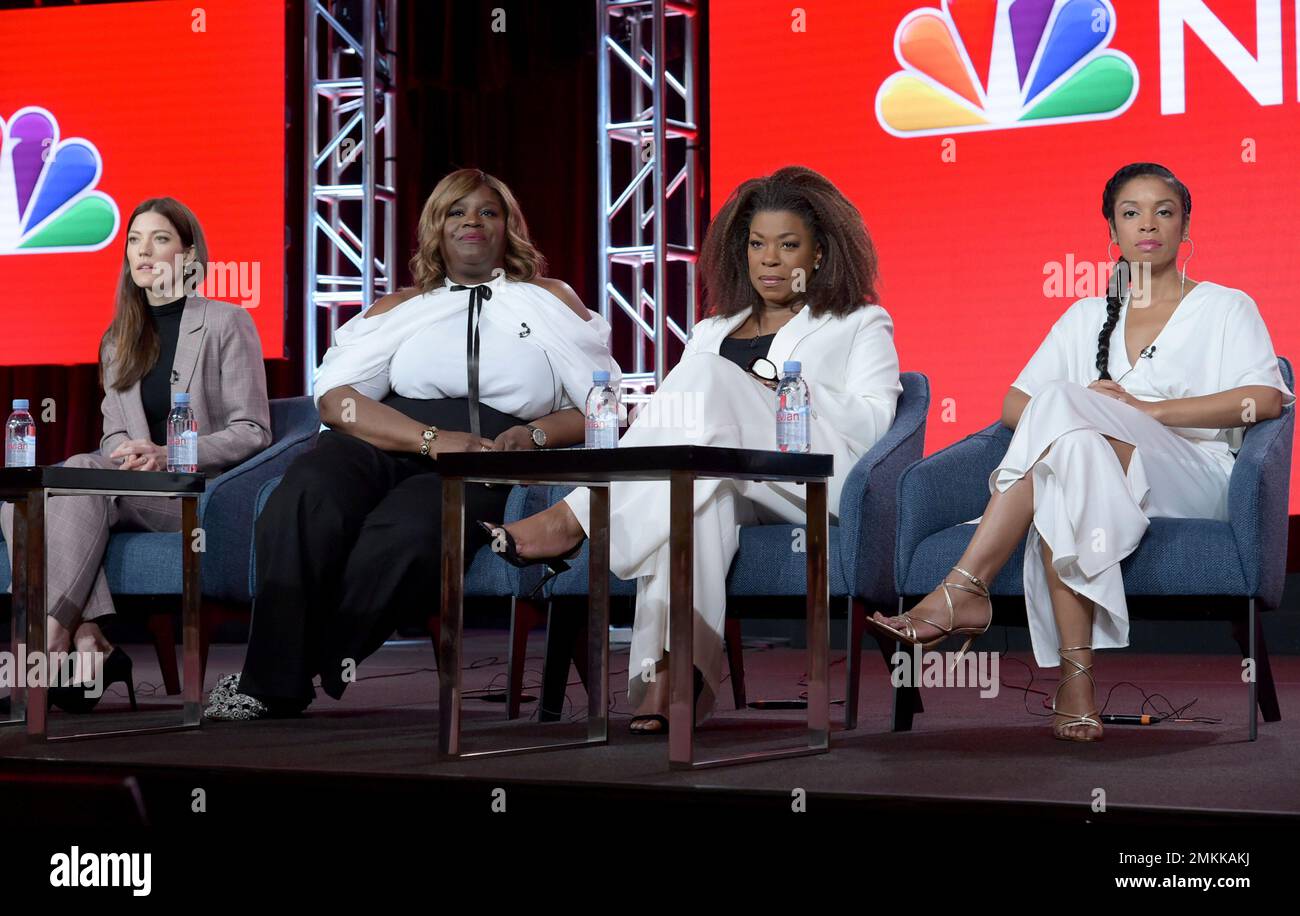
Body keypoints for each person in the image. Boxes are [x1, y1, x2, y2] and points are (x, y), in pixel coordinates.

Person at [869, 162, 1294, 741]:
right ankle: (1076, 683)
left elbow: (1264, 399)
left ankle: (965, 587)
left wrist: (1143, 412)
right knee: (1067, 452)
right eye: (1131, 213)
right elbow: (1016, 404)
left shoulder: (1225, 306)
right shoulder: (1086, 315)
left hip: (1194, 475)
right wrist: (1085, 415)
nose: (1149, 224)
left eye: (1164, 211)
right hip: (1099, 471)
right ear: (1111, 232)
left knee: (1066, 411)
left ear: (1186, 225)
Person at [490, 166, 902, 733]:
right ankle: (675, 681)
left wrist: (770, 390)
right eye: (758, 245)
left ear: (821, 254)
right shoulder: (714, 329)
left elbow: (878, 421)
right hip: (729, 477)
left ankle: (579, 515)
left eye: (788, 246)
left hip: (809, 478)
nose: (771, 260)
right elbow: (680, 416)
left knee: (706, 384)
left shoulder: (858, 322)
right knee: (691, 500)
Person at [204, 169, 617, 720]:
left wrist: (534, 434)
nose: (472, 221)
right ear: (435, 230)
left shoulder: (549, 300)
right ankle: (277, 672)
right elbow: (337, 402)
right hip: (390, 438)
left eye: (487, 212)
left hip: (485, 458)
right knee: (305, 494)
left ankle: (279, 675)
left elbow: (598, 406)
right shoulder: (399, 307)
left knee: (409, 532)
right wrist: (430, 439)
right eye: (456, 212)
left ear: (508, 227)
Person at [0, 197, 271, 712]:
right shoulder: (117, 340)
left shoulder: (226, 322)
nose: (143, 251)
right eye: (134, 241)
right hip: (130, 486)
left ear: (189, 254)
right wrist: (127, 453)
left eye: (160, 238)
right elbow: (111, 438)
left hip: (193, 493)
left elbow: (252, 430)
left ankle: (44, 645)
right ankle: (86, 642)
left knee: (76, 474)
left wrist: (168, 454)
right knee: (23, 501)